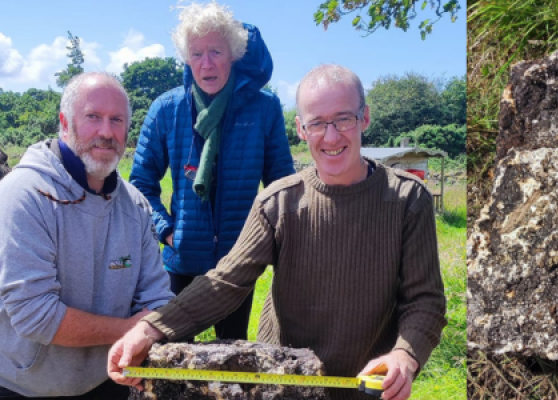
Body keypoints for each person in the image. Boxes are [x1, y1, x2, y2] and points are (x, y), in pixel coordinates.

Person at [109, 64, 447, 400]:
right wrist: (151, 328)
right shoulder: (278, 202)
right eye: (316, 123)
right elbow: (227, 281)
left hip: (368, 385)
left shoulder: (407, 198)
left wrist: (406, 354)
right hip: (284, 384)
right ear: (300, 128)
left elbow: (425, 299)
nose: (331, 136)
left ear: (365, 118)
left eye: (344, 119)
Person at [0, 72, 174, 400]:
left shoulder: (134, 204)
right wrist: (132, 329)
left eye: (117, 120)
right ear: (65, 123)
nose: (106, 132)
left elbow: (157, 295)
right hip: (24, 385)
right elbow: (35, 316)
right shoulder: (24, 196)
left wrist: (152, 323)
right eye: (93, 117)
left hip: (108, 377)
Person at [129, 1, 295, 342]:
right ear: (186, 58)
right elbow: (140, 184)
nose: (206, 64)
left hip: (237, 264)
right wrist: (167, 230)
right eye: (197, 53)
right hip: (180, 259)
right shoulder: (167, 109)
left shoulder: (264, 108)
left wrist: (262, 242)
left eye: (216, 51)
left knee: (232, 356)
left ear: (232, 54)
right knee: (172, 355)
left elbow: (282, 186)